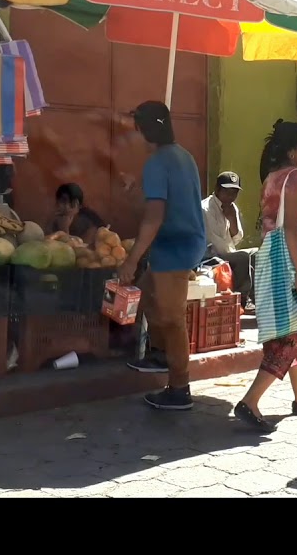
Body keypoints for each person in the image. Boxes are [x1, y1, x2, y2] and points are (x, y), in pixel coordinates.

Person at [233, 120, 297, 431]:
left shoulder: (274, 177)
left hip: (269, 260)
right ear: (292, 151)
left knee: (290, 328)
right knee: (290, 334)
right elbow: (293, 229)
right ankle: (250, 401)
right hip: (289, 259)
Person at [118, 101, 208, 411]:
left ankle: (179, 387)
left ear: (142, 129)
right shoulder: (183, 156)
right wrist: (134, 193)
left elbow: (155, 215)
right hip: (184, 241)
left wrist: (131, 259)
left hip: (175, 246)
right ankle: (159, 353)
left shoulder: (157, 162)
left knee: (172, 319)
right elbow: (160, 205)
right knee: (146, 295)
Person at [201, 171, 258, 310]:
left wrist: (232, 219)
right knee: (243, 257)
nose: (231, 196)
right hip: (211, 255)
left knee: (257, 253)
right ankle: (242, 298)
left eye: (234, 192)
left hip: (228, 251)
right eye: (227, 192)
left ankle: (257, 297)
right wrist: (233, 254)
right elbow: (215, 241)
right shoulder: (205, 208)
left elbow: (237, 238)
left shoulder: (232, 208)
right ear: (217, 190)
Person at [52, 183, 106, 248]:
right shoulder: (59, 220)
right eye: (59, 202)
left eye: (64, 201)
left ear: (76, 204)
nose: (60, 207)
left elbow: (80, 250)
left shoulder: (90, 224)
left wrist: (64, 231)